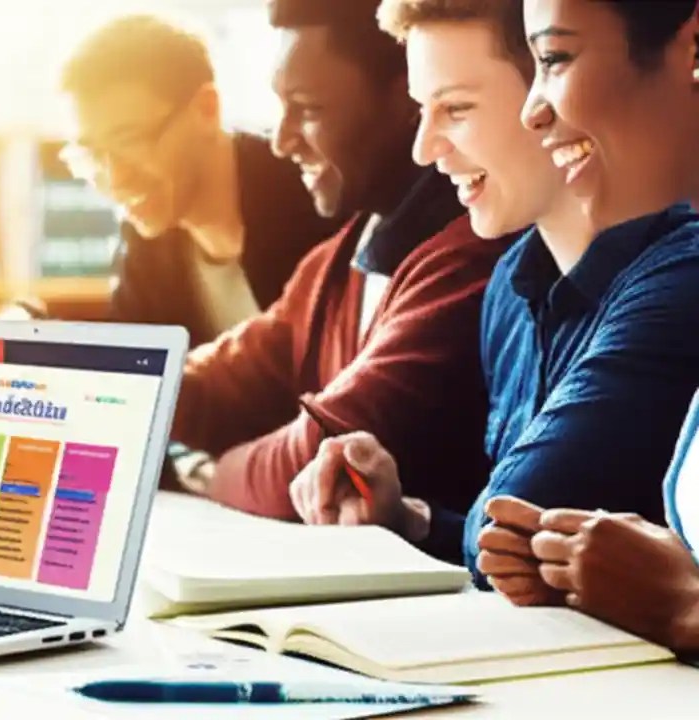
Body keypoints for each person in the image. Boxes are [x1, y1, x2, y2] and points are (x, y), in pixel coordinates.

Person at [296, 0, 699, 584]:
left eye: (457, 108)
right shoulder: (508, 290)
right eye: (422, 112)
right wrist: (406, 518)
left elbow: (508, 526)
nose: (424, 149)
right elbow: (509, 549)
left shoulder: (678, 278)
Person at [162, 0, 505, 537]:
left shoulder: (470, 257)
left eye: (309, 109)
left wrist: (206, 477)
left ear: (407, 99)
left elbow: (313, 456)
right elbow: (220, 386)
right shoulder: (342, 257)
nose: (282, 140)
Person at [47, 14, 342, 346]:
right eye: (93, 156)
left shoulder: (315, 199)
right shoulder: (146, 249)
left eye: (132, 142)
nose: (116, 180)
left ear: (206, 108)